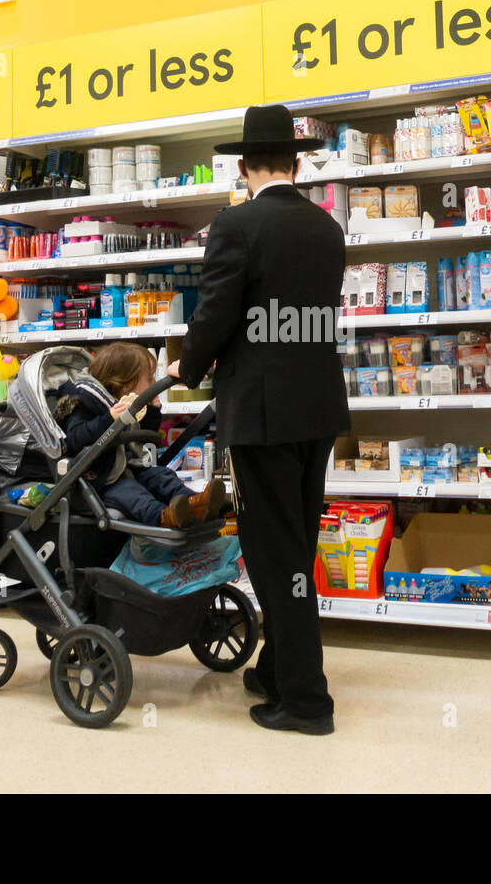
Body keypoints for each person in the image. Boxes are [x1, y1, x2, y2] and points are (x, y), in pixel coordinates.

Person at [169, 104, 349, 736]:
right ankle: (278, 670)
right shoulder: (327, 228)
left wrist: (183, 371)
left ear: (243, 166)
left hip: (265, 417)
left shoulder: (237, 226)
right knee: (295, 544)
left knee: (276, 560)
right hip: (318, 409)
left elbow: (216, 314)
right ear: (296, 164)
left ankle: (305, 700)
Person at [55, 342, 224, 528]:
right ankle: (164, 517)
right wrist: (109, 419)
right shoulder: (87, 403)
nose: (154, 384)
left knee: (162, 476)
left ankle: (198, 504)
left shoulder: (128, 405)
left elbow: (144, 436)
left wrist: (152, 410)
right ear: (126, 385)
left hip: (129, 468)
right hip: (101, 479)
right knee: (132, 493)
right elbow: (75, 439)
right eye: (150, 379)